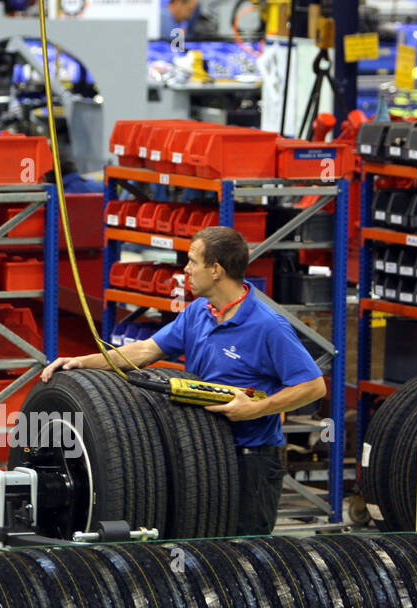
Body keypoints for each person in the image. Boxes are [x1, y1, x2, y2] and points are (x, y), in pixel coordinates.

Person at [41, 226, 326, 534]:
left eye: (192, 261)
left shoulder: (267, 326)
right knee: (202, 550)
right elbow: (145, 351)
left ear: (216, 270)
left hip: (249, 462)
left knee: (244, 555)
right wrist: (81, 362)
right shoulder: (198, 313)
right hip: (202, 453)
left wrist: (257, 409)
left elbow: (313, 386)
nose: (186, 269)